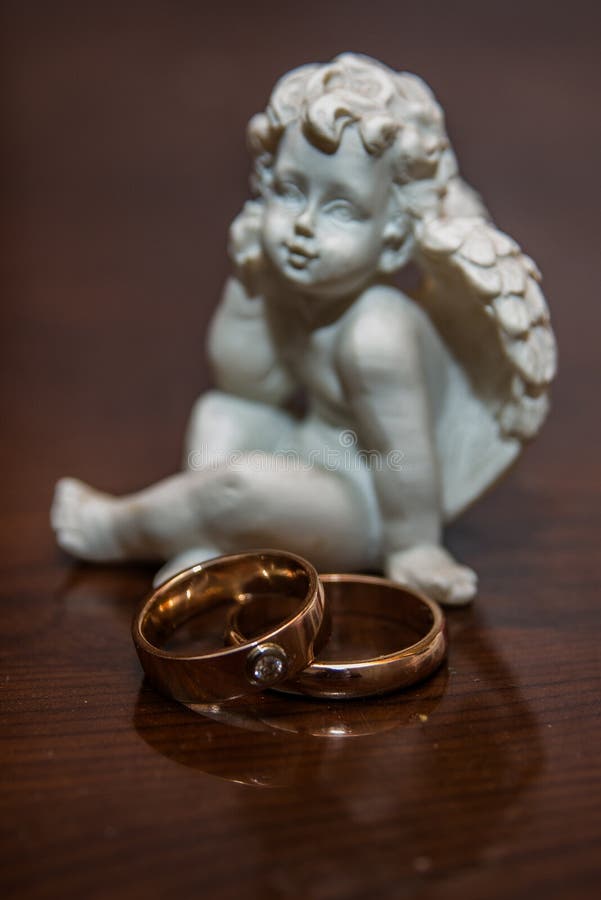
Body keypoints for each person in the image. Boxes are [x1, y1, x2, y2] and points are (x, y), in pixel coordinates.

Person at [51, 54, 556, 604]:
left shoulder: (377, 330)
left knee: (236, 484)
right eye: (290, 192)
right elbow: (248, 387)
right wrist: (249, 287)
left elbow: (401, 453)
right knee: (218, 414)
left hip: (364, 507)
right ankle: (214, 541)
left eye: (341, 208)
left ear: (392, 237)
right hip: (307, 456)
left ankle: (119, 529)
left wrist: (414, 547)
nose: (304, 227)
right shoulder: (302, 291)